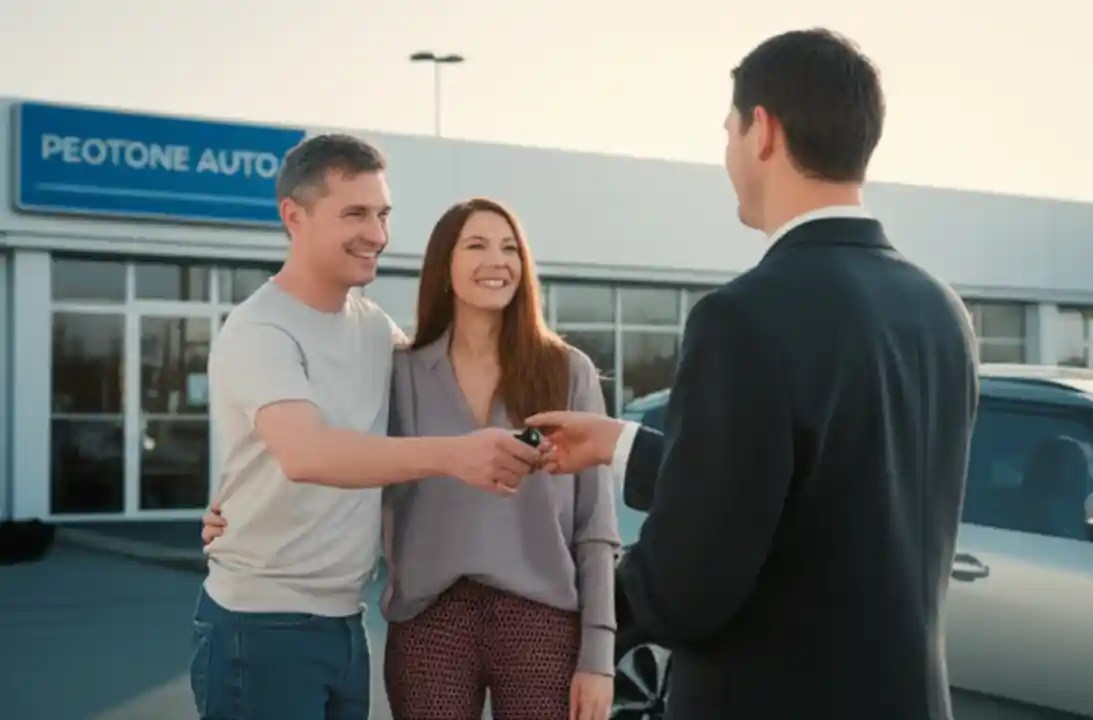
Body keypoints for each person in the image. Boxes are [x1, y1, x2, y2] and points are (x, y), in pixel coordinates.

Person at [526, 28, 980, 720]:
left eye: (729, 130)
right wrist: (622, 443)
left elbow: (693, 578)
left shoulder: (743, 317)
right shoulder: (941, 309)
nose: (728, 152)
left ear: (762, 131)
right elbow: (819, 494)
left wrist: (575, 623)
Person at [192, 134, 543, 720]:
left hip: (345, 622)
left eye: (382, 214)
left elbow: (452, 378)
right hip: (261, 627)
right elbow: (308, 455)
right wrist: (455, 456)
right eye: (354, 213)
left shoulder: (374, 329)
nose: (377, 234)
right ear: (293, 216)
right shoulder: (261, 330)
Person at [378, 197, 619, 720]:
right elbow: (350, 465)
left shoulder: (567, 372)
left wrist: (599, 657)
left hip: (543, 621)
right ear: (445, 264)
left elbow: (595, 526)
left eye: (510, 248)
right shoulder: (399, 375)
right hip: (429, 620)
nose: (498, 260)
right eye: (477, 245)